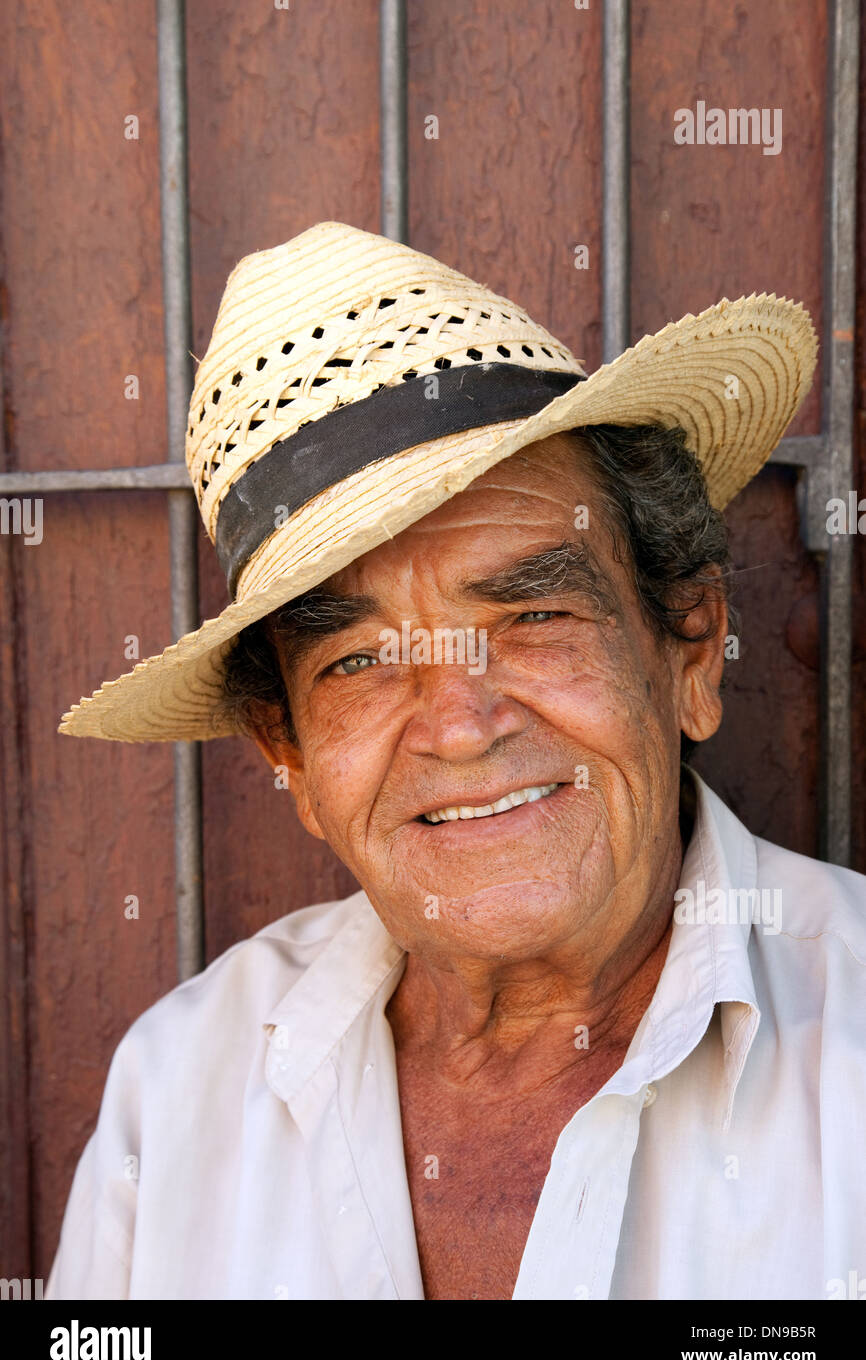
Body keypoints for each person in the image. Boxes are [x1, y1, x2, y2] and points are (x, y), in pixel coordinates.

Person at [48, 222, 865, 1300]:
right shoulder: (181, 1088)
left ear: (690, 649)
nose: (459, 723)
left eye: (531, 613)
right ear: (286, 749)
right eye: (358, 661)